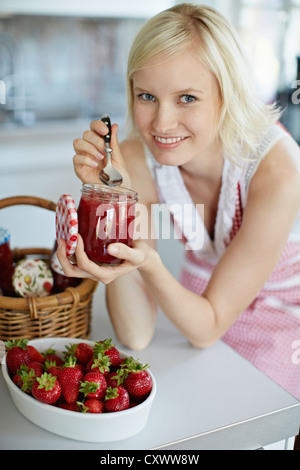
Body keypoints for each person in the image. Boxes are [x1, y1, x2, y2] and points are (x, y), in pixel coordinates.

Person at [57, 3, 300, 408]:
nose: (161, 123)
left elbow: (206, 329)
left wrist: (148, 261)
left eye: (187, 97)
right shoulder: (136, 159)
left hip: (281, 322)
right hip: (194, 306)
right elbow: (136, 333)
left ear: (226, 94)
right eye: (147, 96)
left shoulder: (276, 171)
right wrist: (112, 207)